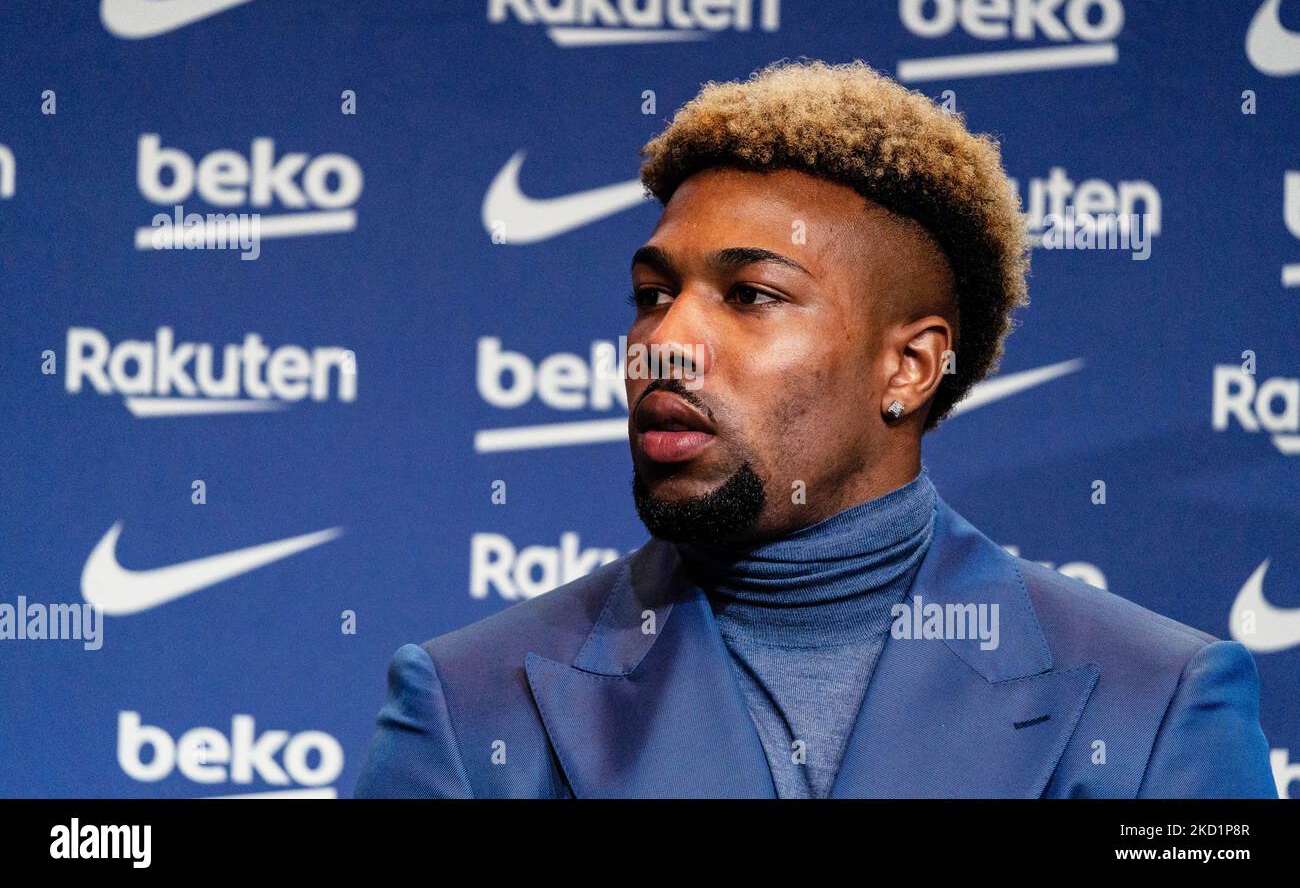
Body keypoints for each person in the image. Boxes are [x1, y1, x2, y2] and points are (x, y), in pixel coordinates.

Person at [354, 59, 1277, 798]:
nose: (664, 344)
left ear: (908, 368)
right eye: (651, 296)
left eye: (751, 296)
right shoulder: (470, 706)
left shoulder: (1155, 703)